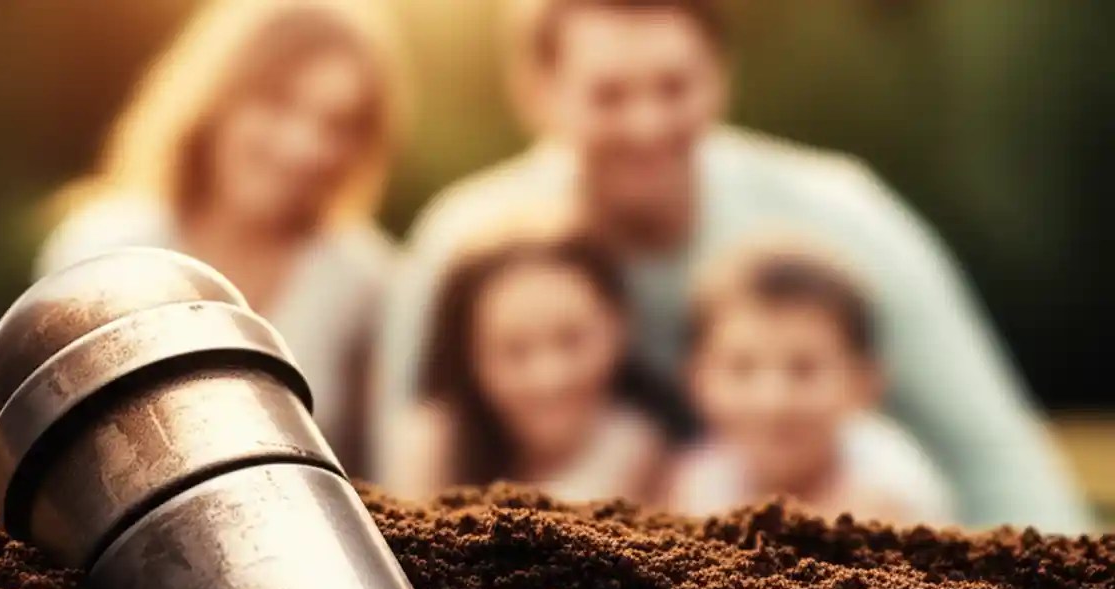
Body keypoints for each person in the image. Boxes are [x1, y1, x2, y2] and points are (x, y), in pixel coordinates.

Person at [378, 0, 1094, 531]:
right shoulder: (466, 244)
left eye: (673, 86)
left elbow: (990, 457)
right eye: (610, 94)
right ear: (540, 94)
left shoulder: (844, 216)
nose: (648, 124)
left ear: (719, 77)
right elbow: (402, 470)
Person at [36, 0, 405, 473]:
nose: (305, 146)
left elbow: (381, 480)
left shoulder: (365, 283)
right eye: (278, 103)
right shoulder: (98, 251)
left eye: (338, 124)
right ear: (218, 97)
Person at [662, 239, 955, 526]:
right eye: (742, 369)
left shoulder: (891, 490)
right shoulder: (700, 482)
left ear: (865, 381)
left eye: (804, 370)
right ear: (696, 379)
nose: (773, 401)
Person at [384, 226, 663, 504]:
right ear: (468, 359)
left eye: (572, 340)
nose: (549, 378)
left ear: (621, 328)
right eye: (514, 351)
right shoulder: (434, 445)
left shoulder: (649, 450)